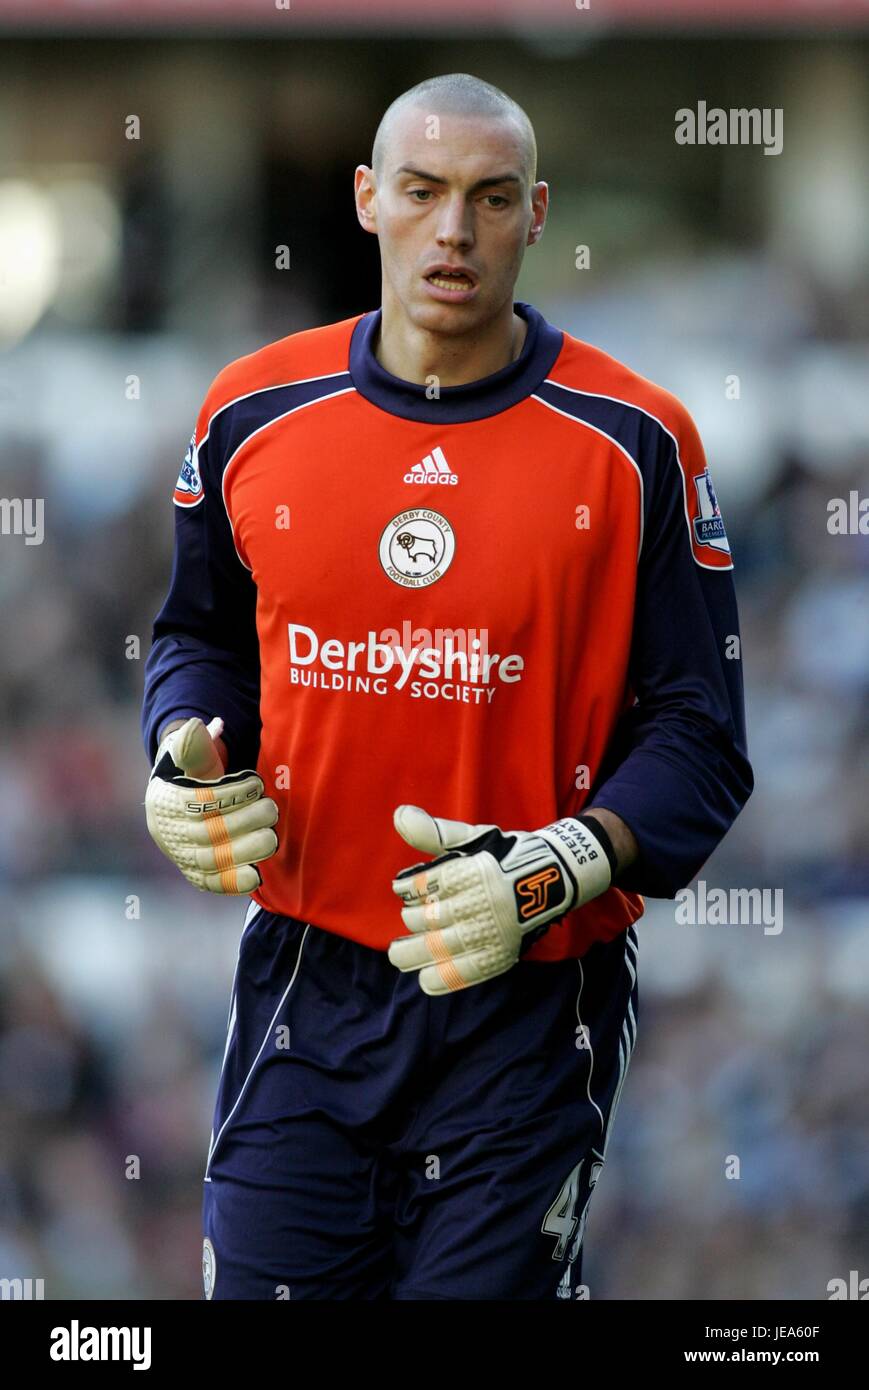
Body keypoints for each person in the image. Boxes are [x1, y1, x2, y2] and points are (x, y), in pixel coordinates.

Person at [141, 72, 753, 1301]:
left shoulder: (637, 442)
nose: (453, 232)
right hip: (308, 981)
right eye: (421, 192)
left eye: (488, 198)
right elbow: (196, 638)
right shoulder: (250, 412)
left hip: (530, 1002)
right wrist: (175, 757)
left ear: (537, 212)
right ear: (367, 200)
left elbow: (701, 735)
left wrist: (554, 866)